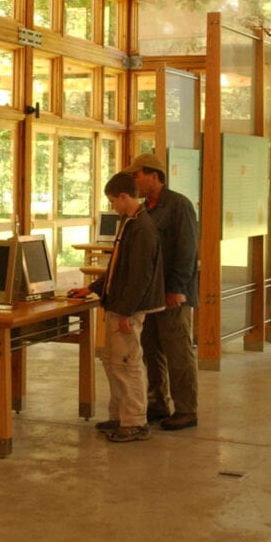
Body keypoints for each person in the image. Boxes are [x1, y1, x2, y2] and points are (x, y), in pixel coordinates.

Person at [68, 170, 165, 443]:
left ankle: (134, 422)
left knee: (127, 364)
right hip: (119, 304)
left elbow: (139, 276)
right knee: (113, 363)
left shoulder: (142, 228)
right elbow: (117, 267)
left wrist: (125, 311)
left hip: (128, 309)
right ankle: (119, 415)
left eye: (113, 201)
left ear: (124, 197)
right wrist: (92, 288)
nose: (112, 206)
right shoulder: (129, 222)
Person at [129, 151, 200, 430]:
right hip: (151, 296)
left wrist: (177, 289)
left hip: (173, 295)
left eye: (137, 174)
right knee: (152, 349)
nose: (134, 179)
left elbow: (187, 250)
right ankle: (158, 402)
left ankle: (187, 409)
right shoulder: (145, 208)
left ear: (154, 175)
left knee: (178, 351)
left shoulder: (178, 205)